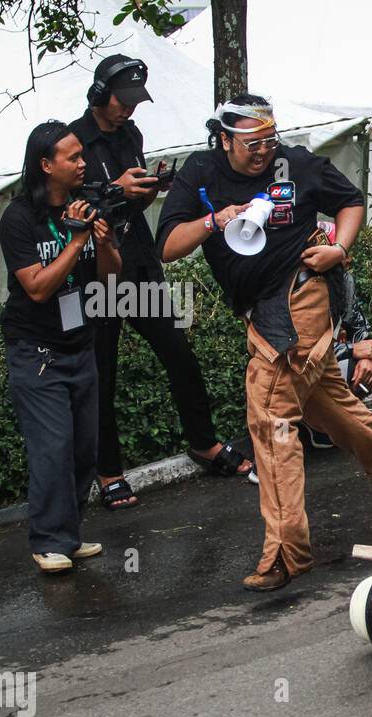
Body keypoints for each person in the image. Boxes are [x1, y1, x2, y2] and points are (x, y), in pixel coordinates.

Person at [155, 95, 372, 592]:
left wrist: (339, 248)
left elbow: (350, 200)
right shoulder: (200, 172)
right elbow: (168, 246)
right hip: (257, 310)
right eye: (251, 143)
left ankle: (286, 549)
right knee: (329, 409)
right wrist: (215, 220)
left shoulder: (297, 162)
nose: (264, 151)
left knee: (269, 415)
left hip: (302, 295)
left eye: (269, 139)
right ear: (224, 139)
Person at [70, 54, 252, 512]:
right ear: (99, 95)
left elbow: (130, 198)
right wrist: (116, 191)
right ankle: (108, 472)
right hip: (97, 271)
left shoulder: (131, 135)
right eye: (122, 100)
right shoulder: (72, 142)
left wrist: (149, 188)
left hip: (139, 262)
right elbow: (66, 201)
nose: (129, 109)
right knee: (102, 372)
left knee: (180, 356)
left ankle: (204, 443)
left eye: (135, 100)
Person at [0, 121, 121, 572]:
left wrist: (103, 243)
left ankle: (68, 537)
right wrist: (79, 239)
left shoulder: (82, 206)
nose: (83, 162)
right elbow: (36, 287)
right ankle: (47, 540)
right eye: (73, 157)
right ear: (46, 164)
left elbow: (110, 278)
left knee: (84, 449)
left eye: (82, 155)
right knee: (53, 447)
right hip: (38, 353)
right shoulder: (18, 219)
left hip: (80, 344)